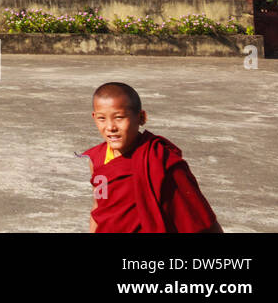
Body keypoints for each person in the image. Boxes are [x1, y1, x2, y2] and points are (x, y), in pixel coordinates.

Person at [83, 82, 222, 233]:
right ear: (94, 117)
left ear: (141, 117)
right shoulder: (96, 158)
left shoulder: (160, 159)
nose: (110, 127)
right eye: (102, 118)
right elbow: (99, 207)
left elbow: (198, 214)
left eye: (119, 117)